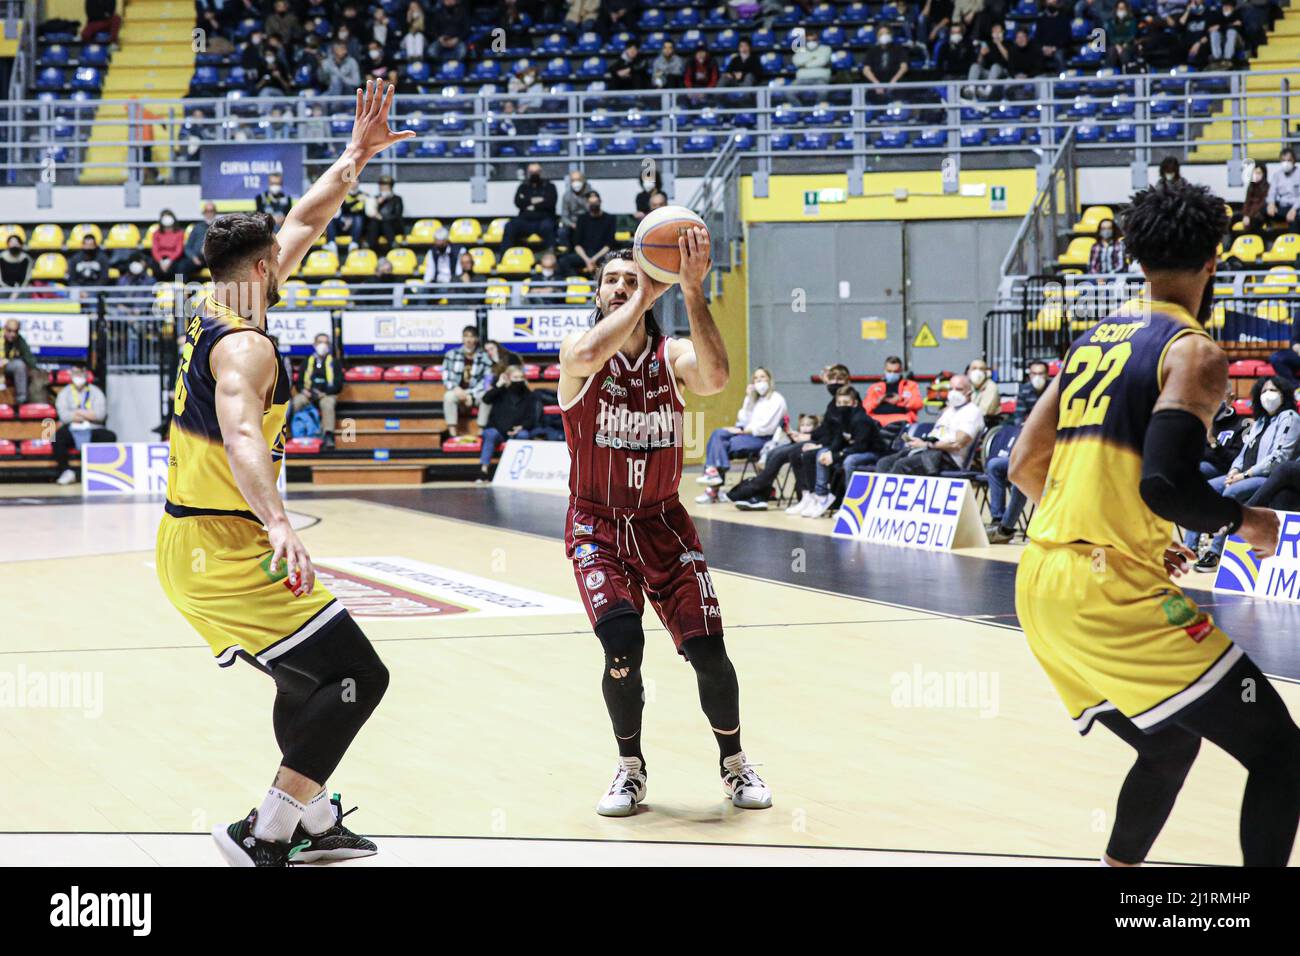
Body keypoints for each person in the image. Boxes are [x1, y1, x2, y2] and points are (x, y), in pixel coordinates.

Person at [156, 81, 412, 867]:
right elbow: (239, 437)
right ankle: (262, 833)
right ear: (265, 268)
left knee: (308, 683)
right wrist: (277, 523)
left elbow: (306, 218)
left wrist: (356, 154)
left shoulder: (217, 301)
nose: (292, 255)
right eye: (281, 258)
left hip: (189, 540)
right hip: (228, 545)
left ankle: (313, 819)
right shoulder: (246, 345)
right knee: (361, 677)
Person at [1009, 179, 1300, 867]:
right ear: (1213, 263)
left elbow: (1024, 463)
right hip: (1105, 596)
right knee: (1281, 753)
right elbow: (1168, 486)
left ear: (1135, 260)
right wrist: (1249, 521)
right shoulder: (1193, 351)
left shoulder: (1091, 341)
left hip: (1041, 582)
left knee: (1168, 741)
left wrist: (1130, 537)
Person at [557, 244, 773, 816]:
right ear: (598, 293)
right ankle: (630, 768)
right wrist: (652, 289)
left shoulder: (670, 354)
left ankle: (734, 763)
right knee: (622, 647)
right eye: (612, 280)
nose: (623, 286)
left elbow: (717, 376)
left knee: (709, 651)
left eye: (634, 278)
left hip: (663, 525)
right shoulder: (580, 354)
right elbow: (593, 346)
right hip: (596, 526)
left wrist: (694, 291)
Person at [1181, 375, 1300, 570]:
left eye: (1273, 391)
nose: (1268, 395)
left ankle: (1216, 552)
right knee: (1203, 489)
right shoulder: (1260, 421)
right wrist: (1235, 470)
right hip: (1244, 473)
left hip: (1266, 478)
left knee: (1231, 493)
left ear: (1284, 394)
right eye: (1263, 391)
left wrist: (1245, 475)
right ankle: (1190, 546)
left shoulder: (1290, 418)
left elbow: (1279, 457)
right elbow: (1243, 454)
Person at [696, 367, 787, 502]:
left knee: (720, 444)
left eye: (762, 377)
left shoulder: (777, 399)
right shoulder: (755, 400)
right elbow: (743, 419)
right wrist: (748, 399)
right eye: (756, 378)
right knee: (718, 435)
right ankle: (712, 473)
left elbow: (766, 427)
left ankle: (712, 486)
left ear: (769, 379)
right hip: (746, 435)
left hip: (763, 439)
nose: (759, 381)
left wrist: (744, 430)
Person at [986, 360, 1050, 543]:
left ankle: (1006, 528)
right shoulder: (1025, 390)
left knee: (1021, 472)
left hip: (1050, 452)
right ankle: (997, 519)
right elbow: (1018, 420)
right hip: (1029, 444)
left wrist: (1035, 423)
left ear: (1047, 375)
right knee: (994, 465)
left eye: (1041, 373)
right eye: (1034, 374)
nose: (1037, 377)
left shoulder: (1056, 389)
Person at [874, 374, 985, 475]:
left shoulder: (972, 412)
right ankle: (878, 496)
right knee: (884, 463)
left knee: (902, 465)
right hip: (930, 451)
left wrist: (926, 445)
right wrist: (920, 442)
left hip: (948, 459)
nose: (953, 392)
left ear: (969, 392)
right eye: (951, 389)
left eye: (959, 389)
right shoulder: (950, 410)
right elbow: (937, 435)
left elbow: (956, 444)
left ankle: (895, 497)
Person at [799, 385, 876, 517]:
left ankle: (850, 504)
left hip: (872, 452)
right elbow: (839, 440)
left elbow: (860, 447)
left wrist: (836, 456)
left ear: (854, 403)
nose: (842, 406)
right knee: (823, 454)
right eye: (839, 403)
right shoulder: (842, 418)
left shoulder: (862, 420)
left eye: (846, 403)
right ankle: (822, 496)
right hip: (853, 449)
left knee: (849, 461)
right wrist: (830, 452)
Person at [52, 365, 115, 484]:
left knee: (109, 436)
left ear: (86, 374)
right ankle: (66, 471)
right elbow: (64, 416)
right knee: (56, 438)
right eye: (75, 373)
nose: (78, 376)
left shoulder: (96, 392)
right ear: (71, 375)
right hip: (72, 428)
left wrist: (77, 412)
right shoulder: (64, 393)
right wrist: (88, 413)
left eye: (81, 373)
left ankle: (98, 471)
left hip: (92, 427)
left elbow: (100, 415)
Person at [477, 364, 542, 479]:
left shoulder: (529, 395)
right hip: (498, 429)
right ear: (508, 378)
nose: (519, 381)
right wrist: (499, 385)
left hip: (518, 430)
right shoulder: (500, 391)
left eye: (521, 377)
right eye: (515, 378)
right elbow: (486, 399)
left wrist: (522, 427)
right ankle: (484, 469)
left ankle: (517, 471)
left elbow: (532, 417)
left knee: (524, 435)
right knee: (490, 434)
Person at [292, 333, 343, 450]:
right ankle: (294, 433)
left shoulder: (334, 362)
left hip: (327, 394)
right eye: (320, 342)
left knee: (328, 404)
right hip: (308, 394)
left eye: (326, 343)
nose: (323, 345)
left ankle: (328, 435)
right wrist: (304, 391)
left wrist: (325, 393)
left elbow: (339, 384)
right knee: (297, 401)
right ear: (315, 344)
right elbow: (299, 382)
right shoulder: (307, 361)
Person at [441, 324, 492, 437]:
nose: (468, 340)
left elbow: (486, 381)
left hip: (476, 393)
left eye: (472, 336)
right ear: (462, 338)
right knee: (448, 397)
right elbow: (446, 376)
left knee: (488, 395)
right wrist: (455, 388)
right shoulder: (451, 354)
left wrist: (470, 394)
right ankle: (452, 432)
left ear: (477, 339)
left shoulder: (485, 356)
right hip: (457, 391)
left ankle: (481, 432)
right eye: (466, 336)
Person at [559, 191, 616, 278]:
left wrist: (593, 259)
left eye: (595, 202)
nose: (593, 204)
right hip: (584, 255)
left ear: (600, 202)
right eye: (591, 203)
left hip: (601, 255)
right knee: (563, 261)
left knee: (612, 262)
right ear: (587, 204)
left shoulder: (610, 218)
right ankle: (577, 281)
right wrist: (587, 260)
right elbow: (577, 244)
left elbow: (608, 245)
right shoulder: (582, 219)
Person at [503, 163, 558, 251]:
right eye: (532, 172)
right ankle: (505, 257)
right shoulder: (523, 186)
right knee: (510, 226)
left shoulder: (549, 186)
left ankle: (551, 258)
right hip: (525, 220)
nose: (534, 174)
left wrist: (529, 204)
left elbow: (550, 203)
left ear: (540, 172)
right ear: (528, 173)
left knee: (549, 227)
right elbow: (518, 202)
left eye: (536, 172)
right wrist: (537, 200)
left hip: (543, 220)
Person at [2, 319, 49, 404]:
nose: (12, 334)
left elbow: (29, 357)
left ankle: (21, 399)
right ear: (4, 328)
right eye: (9, 331)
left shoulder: (19, 339)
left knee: (20, 365)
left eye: (15, 331)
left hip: (7, 367)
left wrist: (35, 369)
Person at [365, 175, 404, 249]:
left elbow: (397, 215)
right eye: (381, 185)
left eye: (386, 185)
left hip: (392, 225)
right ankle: (370, 246)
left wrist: (382, 218)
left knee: (384, 223)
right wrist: (377, 203)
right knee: (374, 223)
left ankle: (393, 243)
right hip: (378, 226)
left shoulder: (397, 199)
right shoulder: (375, 199)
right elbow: (371, 214)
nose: (383, 188)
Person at [1266, 148, 1300, 231]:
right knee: (1262, 211)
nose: (1286, 163)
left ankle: (1293, 243)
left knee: (1295, 218)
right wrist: (1271, 203)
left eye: (1289, 160)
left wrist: (1294, 209)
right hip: (1283, 207)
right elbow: (1272, 192)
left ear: (1294, 161)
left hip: (1297, 207)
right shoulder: (1277, 175)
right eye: (1284, 160)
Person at [326, 182, 367, 249]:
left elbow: (365, 213)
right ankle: (331, 244)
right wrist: (357, 200)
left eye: (355, 180)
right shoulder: (342, 195)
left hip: (356, 224)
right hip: (342, 223)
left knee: (358, 219)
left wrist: (351, 220)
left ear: (358, 182)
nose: (353, 182)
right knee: (331, 219)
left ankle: (354, 244)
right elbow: (344, 208)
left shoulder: (364, 195)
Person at [560, 169, 594, 247]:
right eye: (573, 180)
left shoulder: (591, 194)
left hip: (588, 222)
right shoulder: (567, 196)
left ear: (583, 180)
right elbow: (564, 217)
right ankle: (568, 252)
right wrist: (572, 225)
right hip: (573, 224)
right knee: (562, 232)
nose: (576, 183)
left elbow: (593, 212)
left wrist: (580, 198)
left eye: (578, 180)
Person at [151, 209, 186, 282]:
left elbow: (179, 250)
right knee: (154, 266)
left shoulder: (179, 233)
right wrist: (161, 261)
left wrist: (169, 261)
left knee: (181, 267)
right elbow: (155, 249)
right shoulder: (156, 233)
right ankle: (158, 289)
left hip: (174, 259)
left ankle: (178, 290)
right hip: (160, 260)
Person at [185, 202, 218, 274]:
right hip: (198, 258)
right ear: (204, 213)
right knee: (181, 267)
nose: (209, 213)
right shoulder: (197, 227)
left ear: (215, 212)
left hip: (215, 259)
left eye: (211, 211)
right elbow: (188, 247)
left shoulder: (220, 227)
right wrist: (193, 257)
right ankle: (179, 284)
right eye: (207, 211)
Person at [1240, 162, 1269, 234]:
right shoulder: (1250, 186)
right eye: (1254, 172)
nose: (1256, 175)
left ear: (1264, 174)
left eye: (1259, 173)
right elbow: (1247, 202)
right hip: (1248, 214)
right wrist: (1245, 215)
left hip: (1259, 214)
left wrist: (1249, 216)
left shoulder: (1267, 187)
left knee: (1254, 221)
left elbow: (1261, 204)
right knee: (1233, 218)